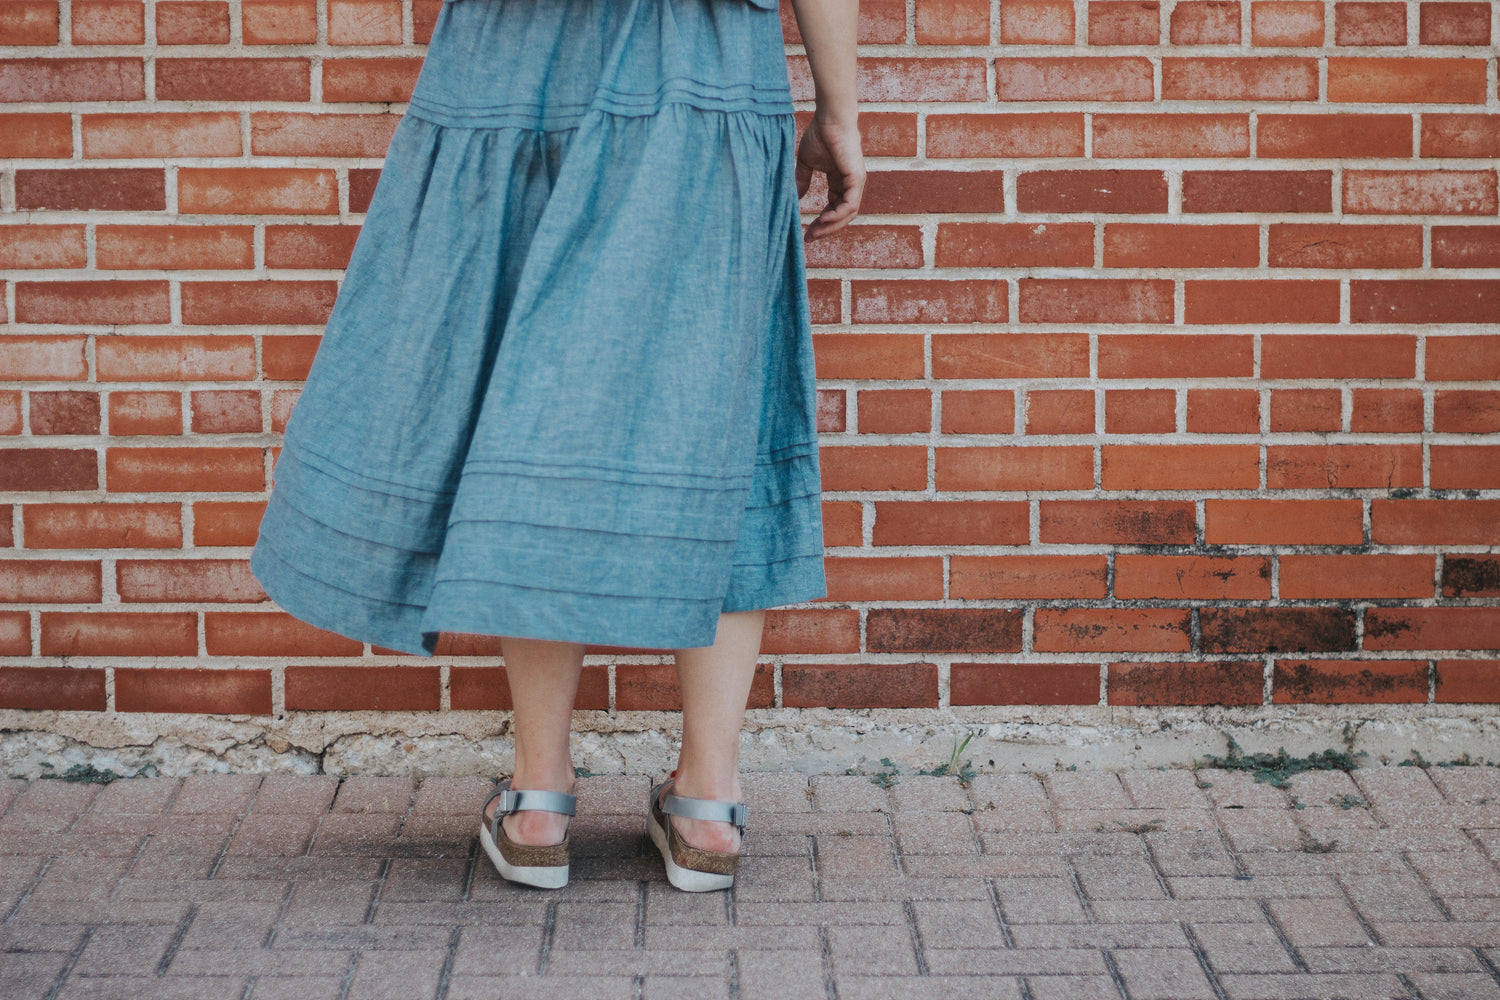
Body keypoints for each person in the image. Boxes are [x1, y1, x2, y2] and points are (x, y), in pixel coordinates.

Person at [249, 0, 863, 893]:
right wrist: (839, 113)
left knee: (527, 398)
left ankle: (539, 804)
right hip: (701, 65)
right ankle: (707, 806)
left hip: (511, 65)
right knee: (720, 411)